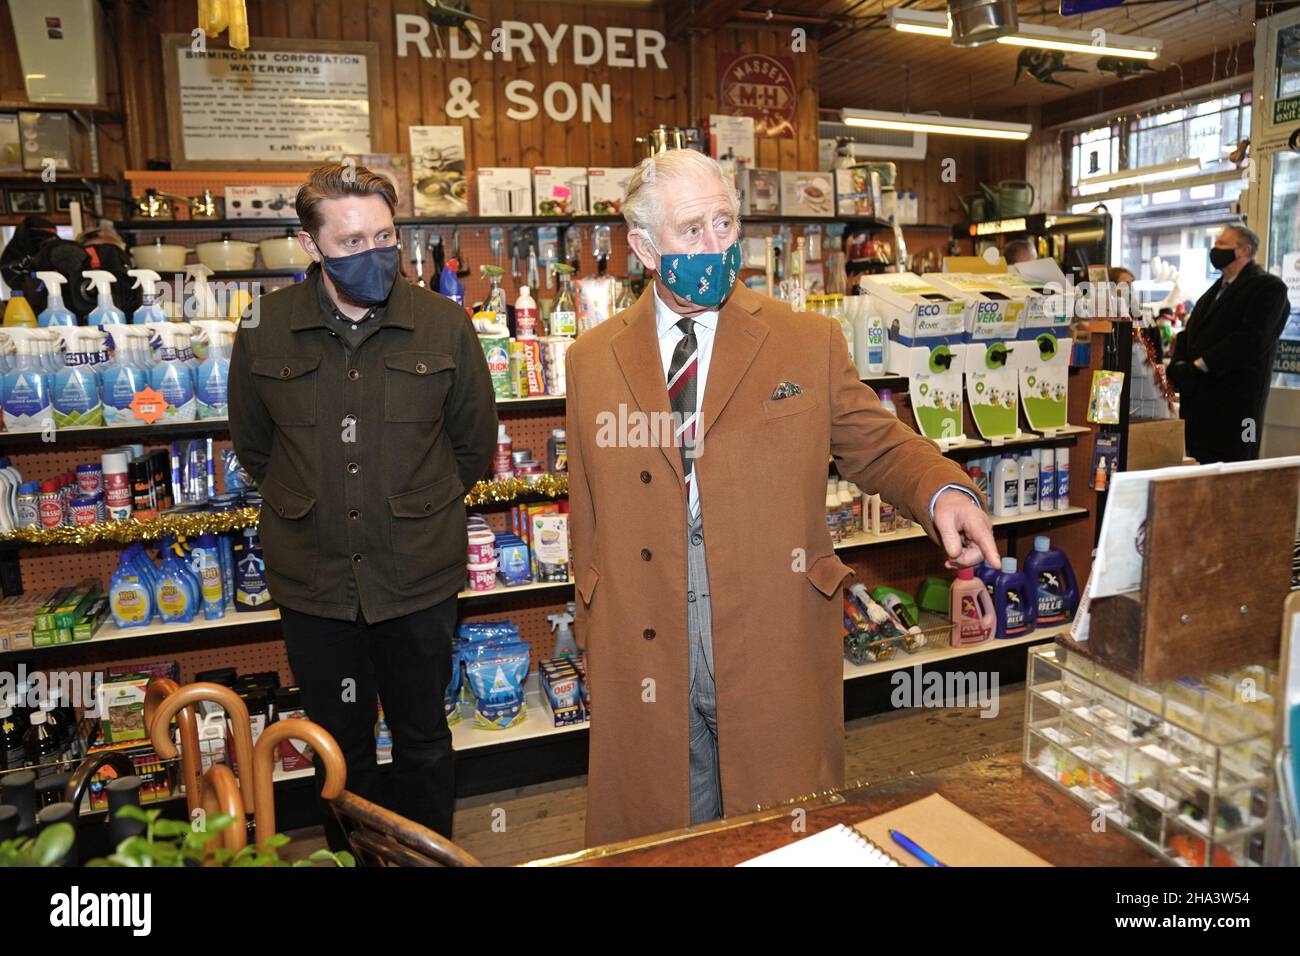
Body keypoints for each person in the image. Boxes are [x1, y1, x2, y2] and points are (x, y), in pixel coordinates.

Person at [564, 150, 1001, 846]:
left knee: (779, 833)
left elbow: (876, 442)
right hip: (644, 638)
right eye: (690, 230)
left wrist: (942, 488)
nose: (714, 246)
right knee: (663, 835)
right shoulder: (590, 359)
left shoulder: (804, 342)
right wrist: (590, 624)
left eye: (724, 223)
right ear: (644, 247)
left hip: (769, 631)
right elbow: (583, 503)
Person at [228, 163, 496, 848]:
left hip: (417, 578)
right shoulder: (265, 326)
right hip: (315, 582)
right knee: (339, 749)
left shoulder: (443, 324)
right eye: (351, 242)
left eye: (385, 235)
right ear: (311, 244)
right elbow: (257, 448)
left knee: (423, 739)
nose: (374, 254)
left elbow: (471, 447)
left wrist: (408, 507)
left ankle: (424, 864)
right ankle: (357, 864)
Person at [1168, 224, 1289, 462]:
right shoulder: (1214, 291)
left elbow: (1251, 339)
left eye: (1223, 244)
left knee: (1237, 471)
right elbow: (1190, 332)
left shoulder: (1268, 288)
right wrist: (1178, 365)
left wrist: (1200, 364)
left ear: (1245, 250)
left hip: (1240, 410)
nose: (1215, 249)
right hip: (1200, 410)